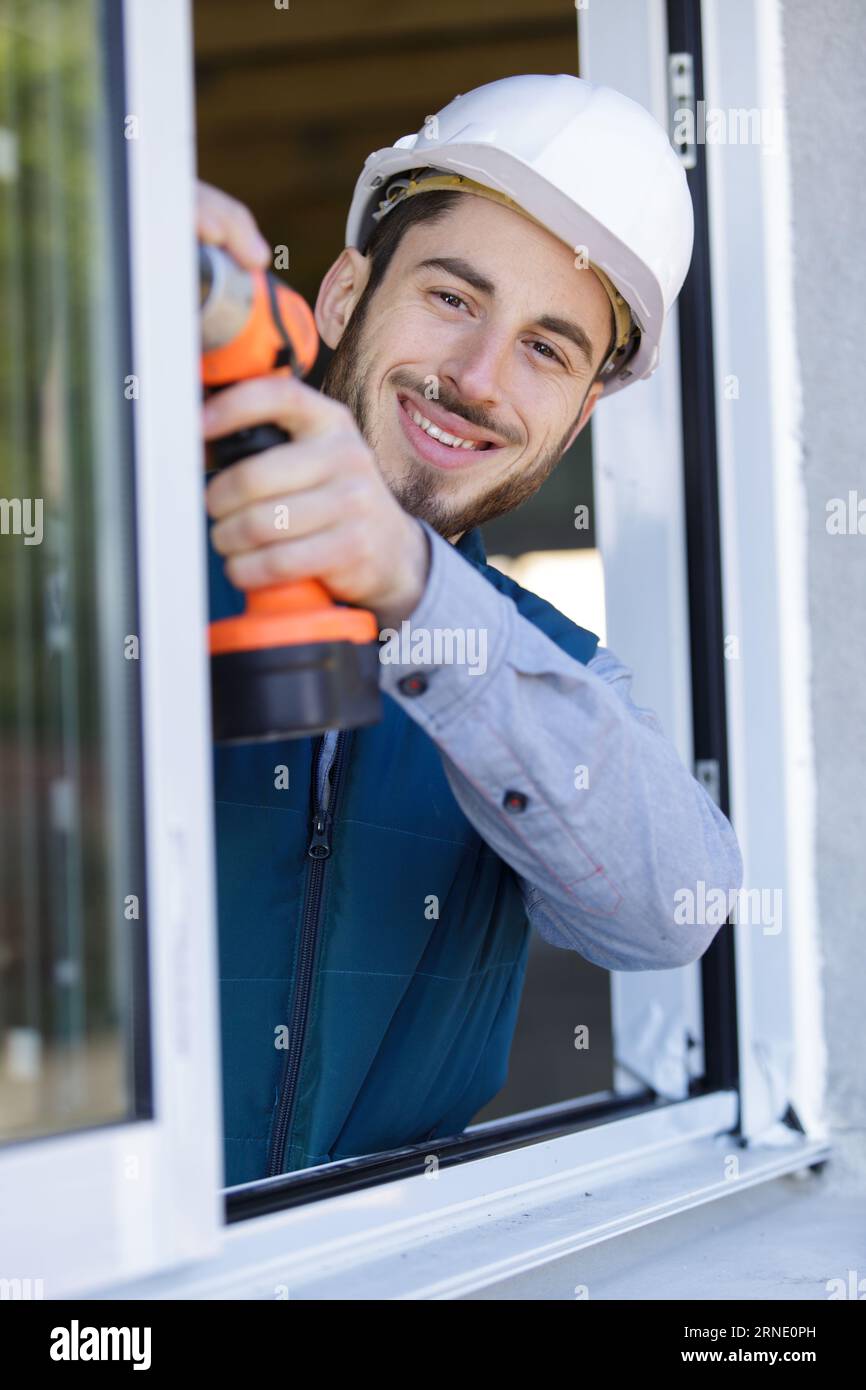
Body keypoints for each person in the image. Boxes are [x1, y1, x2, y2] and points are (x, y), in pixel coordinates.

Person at [200, 74, 743, 1186]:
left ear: (580, 411)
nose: (477, 380)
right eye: (452, 298)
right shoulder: (115, 586)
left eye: (547, 349)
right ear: (344, 295)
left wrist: (414, 595)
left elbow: (671, 911)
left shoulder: (553, 678)